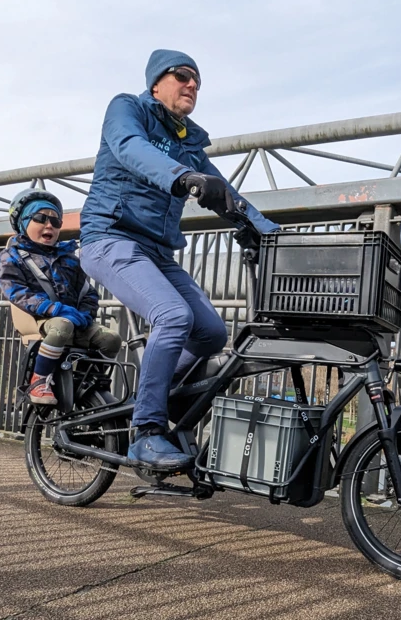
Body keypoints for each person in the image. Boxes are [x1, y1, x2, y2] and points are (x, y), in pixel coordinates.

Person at [80, 49, 279, 470]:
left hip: (156, 250)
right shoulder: (128, 109)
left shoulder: (189, 142)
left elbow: (224, 191)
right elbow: (131, 148)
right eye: (183, 77)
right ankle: (146, 432)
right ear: (157, 82)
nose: (192, 85)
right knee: (172, 316)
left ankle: (156, 395)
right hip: (109, 239)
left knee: (209, 332)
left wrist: (268, 232)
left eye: (198, 82)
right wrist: (182, 177)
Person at [0, 188, 121, 405]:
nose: (49, 225)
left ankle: (88, 379)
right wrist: (52, 308)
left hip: (73, 321)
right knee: (62, 326)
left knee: (111, 339)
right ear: (24, 222)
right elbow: (14, 291)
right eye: (40, 218)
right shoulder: (12, 256)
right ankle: (39, 380)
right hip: (41, 320)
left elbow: (87, 292)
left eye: (56, 221)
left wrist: (85, 314)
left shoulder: (69, 259)